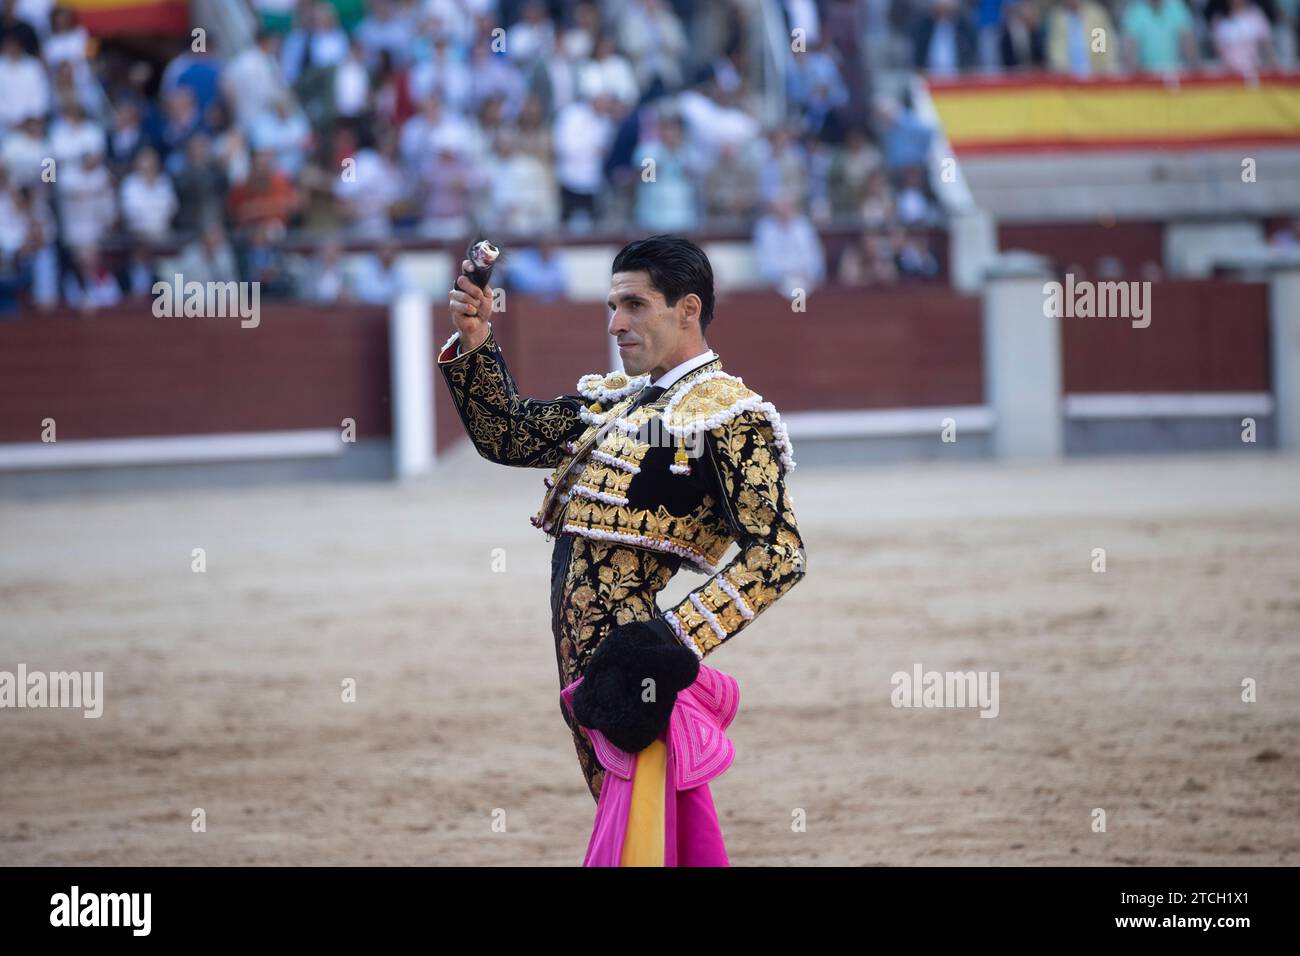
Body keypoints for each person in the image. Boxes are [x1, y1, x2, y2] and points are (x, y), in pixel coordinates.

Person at [438, 235, 808, 866]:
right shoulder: (618, 399)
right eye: (613, 307)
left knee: (647, 839)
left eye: (634, 305)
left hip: (637, 672)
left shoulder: (726, 415)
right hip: (586, 672)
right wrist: (476, 337)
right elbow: (507, 434)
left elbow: (778, 554)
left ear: (687, 309)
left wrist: (668, 643)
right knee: (643, 832)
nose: (616, 324)